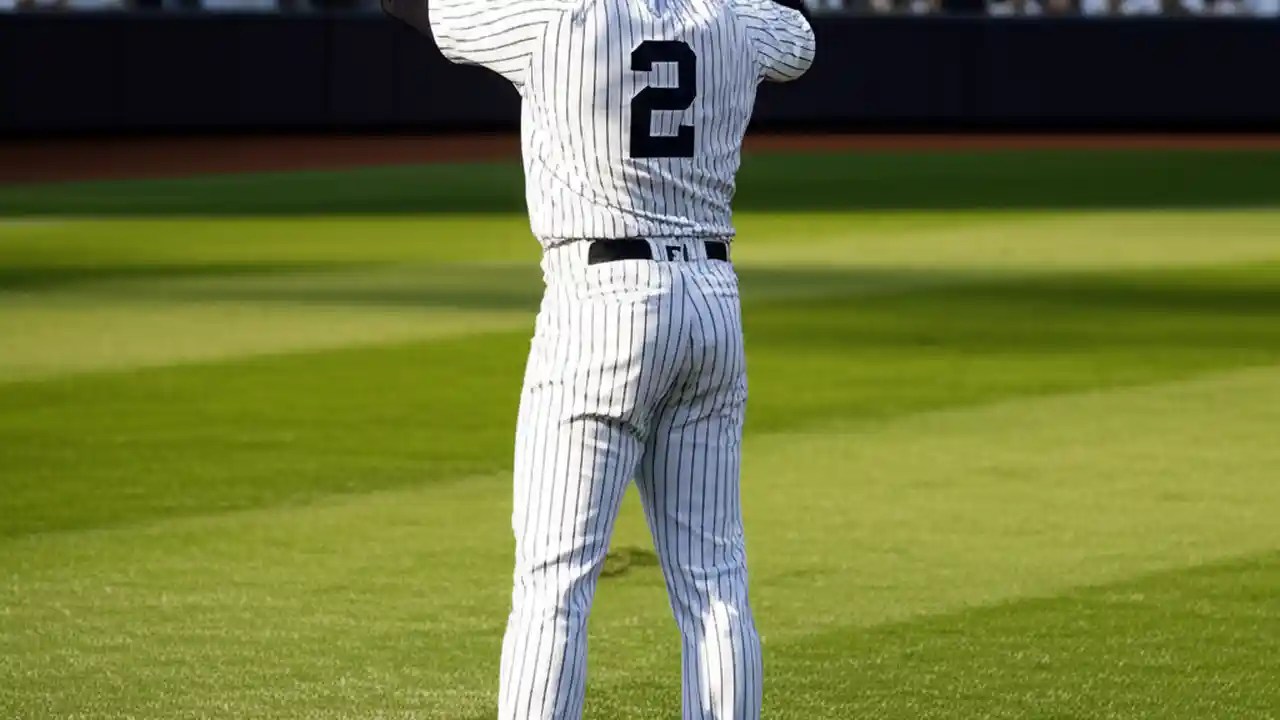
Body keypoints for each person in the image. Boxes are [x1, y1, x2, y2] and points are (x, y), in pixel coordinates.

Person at [383, 0, 815, 717]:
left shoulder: (558, 16)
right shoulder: (733, 19)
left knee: (553, 590)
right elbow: (801, 33)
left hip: (601, 305)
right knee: (715, 587)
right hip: (711, 299)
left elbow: (412, 7)